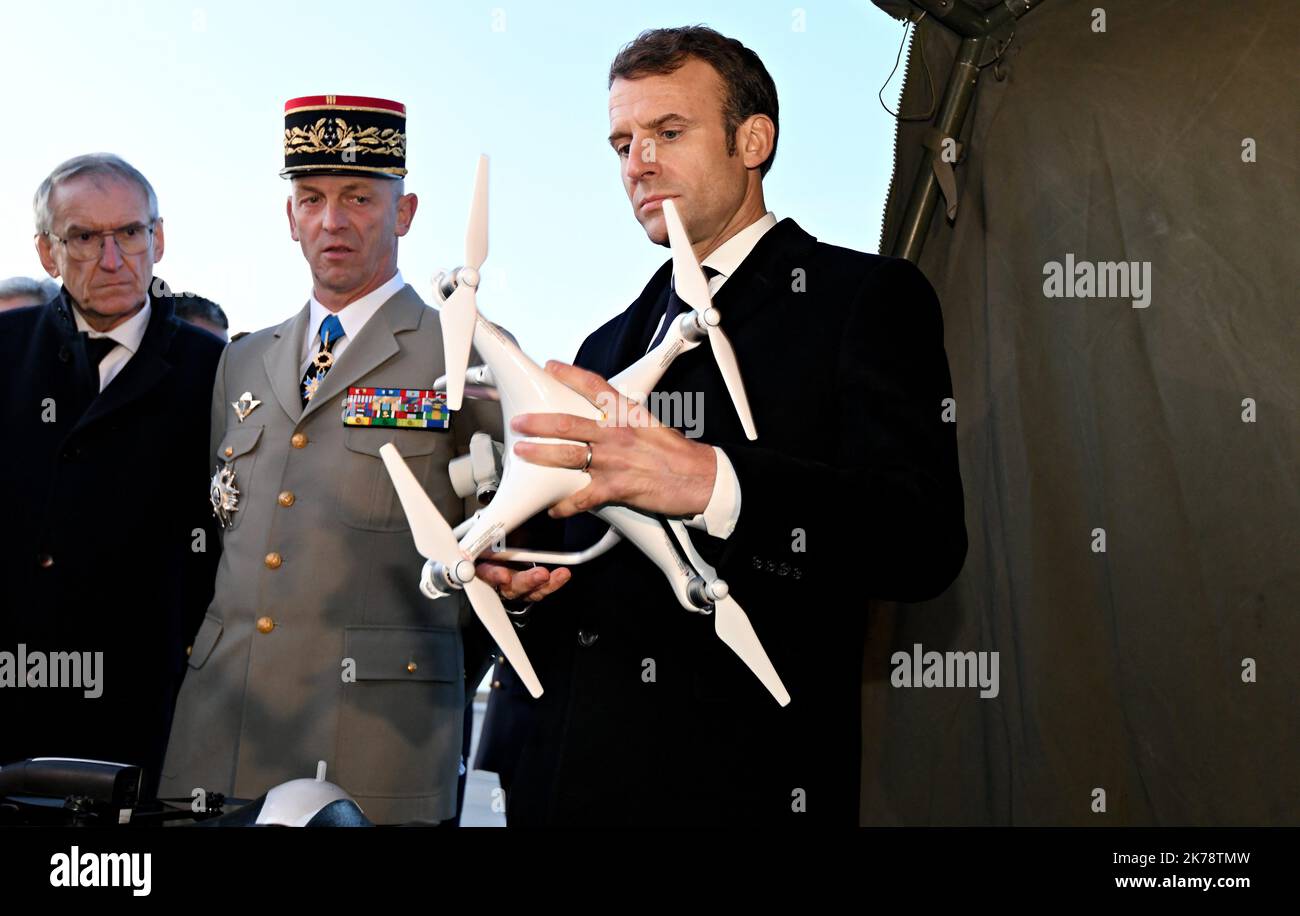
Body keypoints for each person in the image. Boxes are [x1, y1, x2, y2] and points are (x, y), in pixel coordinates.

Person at [490, 26, 968, 826]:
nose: (637, 162)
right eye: (622, 142)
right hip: (577, 789)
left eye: (667, 133)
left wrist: (715, 484)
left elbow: (920, 538)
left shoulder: (865, 298)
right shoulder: (604, 345)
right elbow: (593, 564)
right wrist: (527, 583)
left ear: (754, 140)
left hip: (747, 788)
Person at [159, 95, 564, 825]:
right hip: (221, 731)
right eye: (310, 198)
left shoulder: (468, 351)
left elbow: (498, 553)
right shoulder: (243, 361)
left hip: (377, 740)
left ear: (404, 211)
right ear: (289, 217)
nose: (331, 221)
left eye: (357, 198)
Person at [0, 154, 224, 799]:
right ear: (47, 252)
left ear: (159, 239)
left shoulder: (219, 370)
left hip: (150, 715)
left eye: (130, 233)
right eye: (84, 237)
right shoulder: (5, 351)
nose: (112, 257)